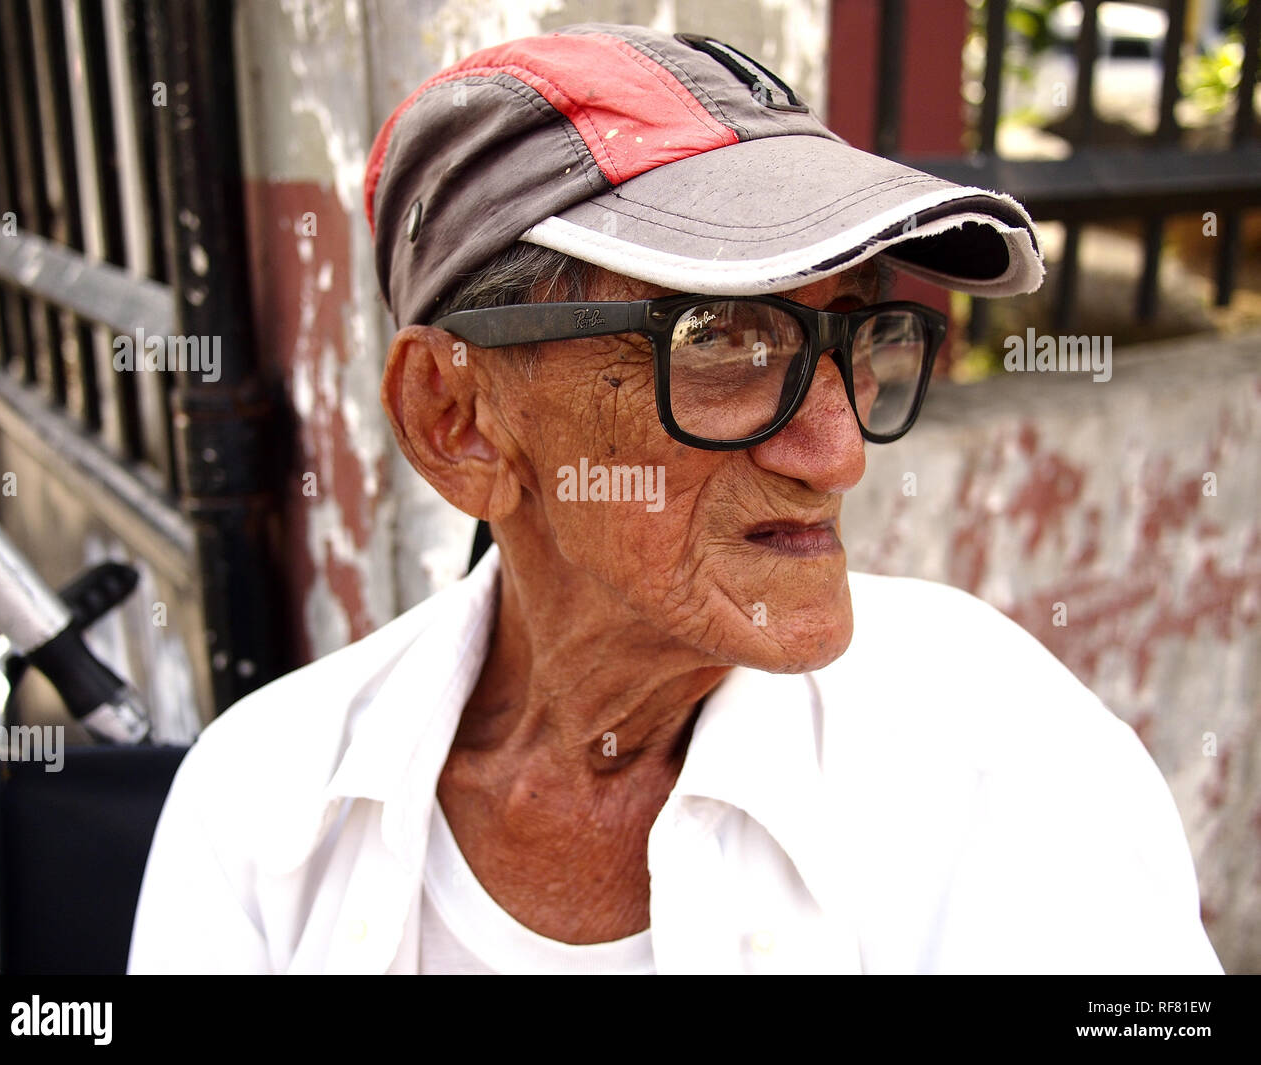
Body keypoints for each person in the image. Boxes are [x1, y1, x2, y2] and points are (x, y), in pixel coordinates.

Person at [128, 23, 1222, 974]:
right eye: (720, 337)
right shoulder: (264, 808)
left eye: (854, 329)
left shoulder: (999, 751)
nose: (836, 453)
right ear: (456, 421)